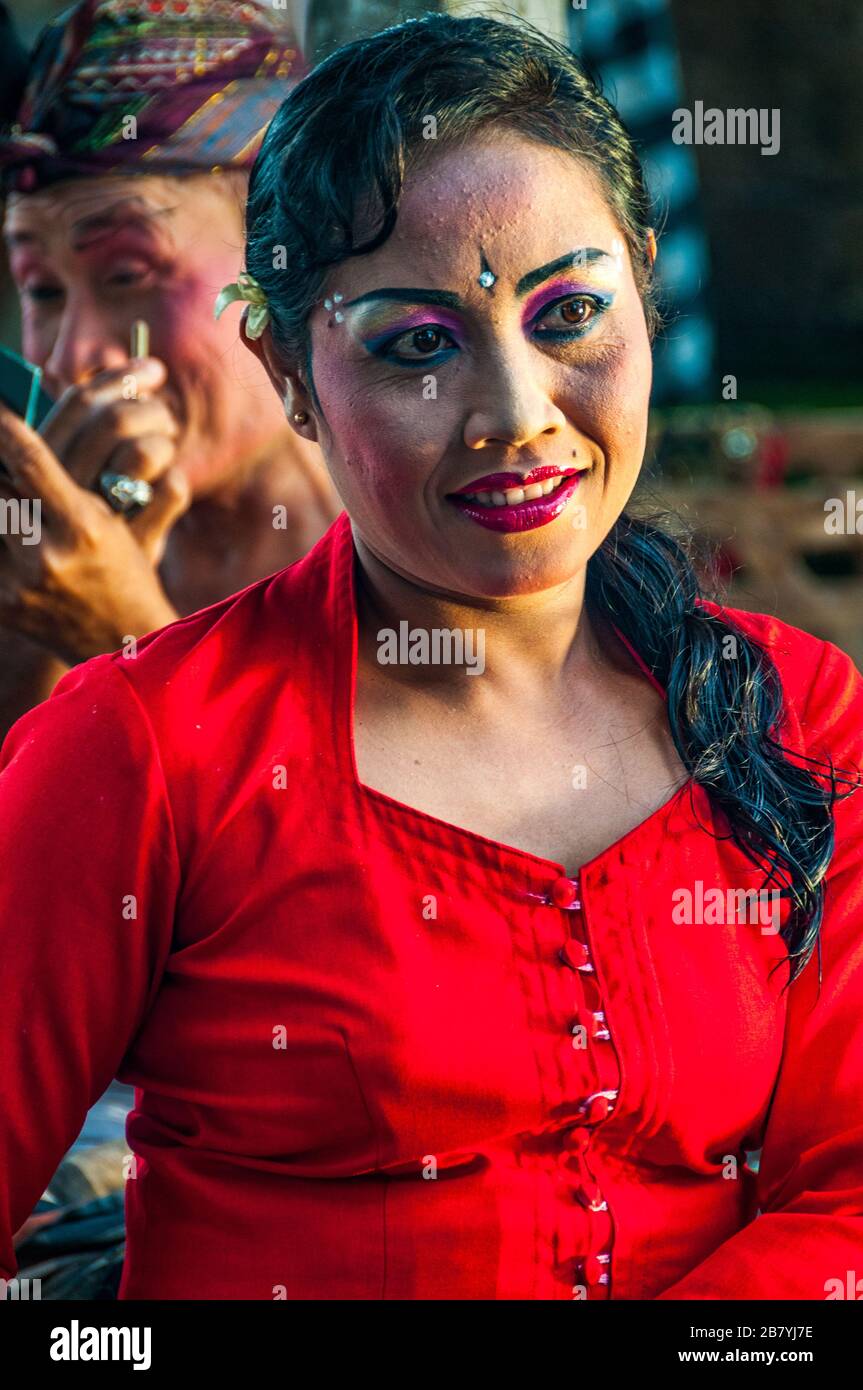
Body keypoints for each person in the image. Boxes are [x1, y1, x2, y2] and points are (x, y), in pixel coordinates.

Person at [1, 12, 862, 1301]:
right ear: (289, 370)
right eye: (415, 345)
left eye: (570, 310)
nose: (516, 417)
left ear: (643, 277)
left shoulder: (801, 710)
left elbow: (845, 1195)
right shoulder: (140, 746)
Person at [0, 0, 340, 740]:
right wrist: (25, 640)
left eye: (127, 273)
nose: (73, 357)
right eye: (42, 290)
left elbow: (335, 848)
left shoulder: (416, 549)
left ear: (283, 254)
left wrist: (119, 636)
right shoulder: (24, 559)